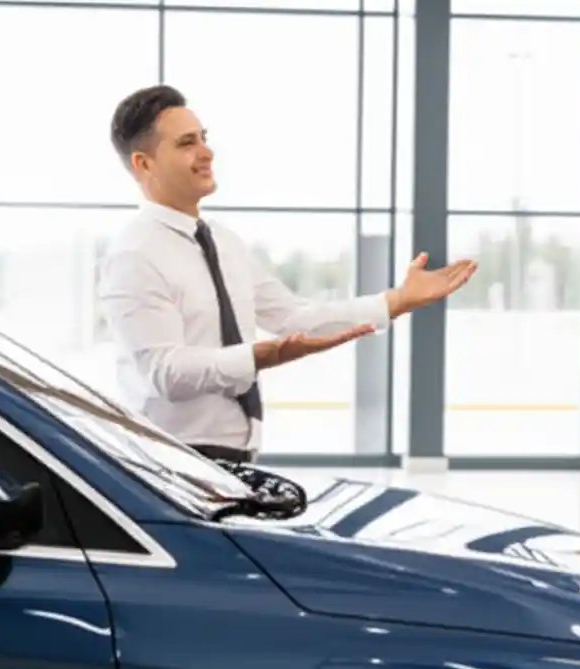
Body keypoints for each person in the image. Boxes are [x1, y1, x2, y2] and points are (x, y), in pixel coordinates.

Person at [97, 85, 477, 463]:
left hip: (237, 457)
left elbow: (294, 318)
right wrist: (257, 357)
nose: (206, 152)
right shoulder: (135, 254)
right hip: (172, 460)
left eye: (203, 138)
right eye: (186, 143)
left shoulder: (224, 243)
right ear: (144, 164)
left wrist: (397, 300)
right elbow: (164, 373)